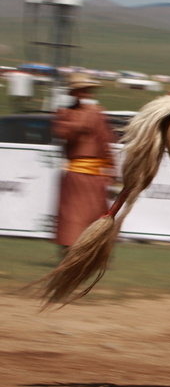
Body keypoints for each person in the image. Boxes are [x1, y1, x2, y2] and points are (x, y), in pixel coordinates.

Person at [52, 73, 115, 257]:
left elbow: (105, 143)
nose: (85, 93)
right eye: (81, 90)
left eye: (87, 90)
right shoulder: (65, 113)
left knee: (97, 216)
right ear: (74, 92)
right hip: (75, 174)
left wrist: (112, 171)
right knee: (71, 217)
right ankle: (68, 253)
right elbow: (64, 134)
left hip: (96, 176)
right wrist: (83, 119)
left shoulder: (98, 114)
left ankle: (97, 256)